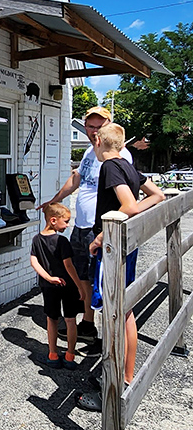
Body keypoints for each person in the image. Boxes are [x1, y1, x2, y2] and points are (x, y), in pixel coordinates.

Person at [76, 122, 164, 412]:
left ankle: (117, 387)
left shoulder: (110, 167)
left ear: (99, 140)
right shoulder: (128, 165)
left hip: (113, 248)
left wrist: (100, 236)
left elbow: (130, 205)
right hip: (127, 244)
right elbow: (158, 196)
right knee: (124, 309)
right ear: (124, 144)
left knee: (117, 311)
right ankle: (123, 377)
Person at [43, 106, 132, 342]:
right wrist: (54, 200)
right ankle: (88, 325)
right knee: (82, 274)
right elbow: (76, 179)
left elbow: (131, 196)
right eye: (90, 126)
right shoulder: (88, 154)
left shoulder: (118, 154)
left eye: (99, 126)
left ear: (108, 127)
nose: (94, 131)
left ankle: (109, 338)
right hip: (81, 226)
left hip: (102, 228)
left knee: (102, 280)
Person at [30, 203, 83, 368]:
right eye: (65, 221)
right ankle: (70, 355)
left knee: (52, 319)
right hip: (67, 285)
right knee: (70, 319)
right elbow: (69, 266)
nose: (67, 225)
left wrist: (49, 278)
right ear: (53, 220)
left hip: (48, 286)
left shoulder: (36, 239)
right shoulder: (62, 241)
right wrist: (80, 286)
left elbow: (34, 262)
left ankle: (52, 354)